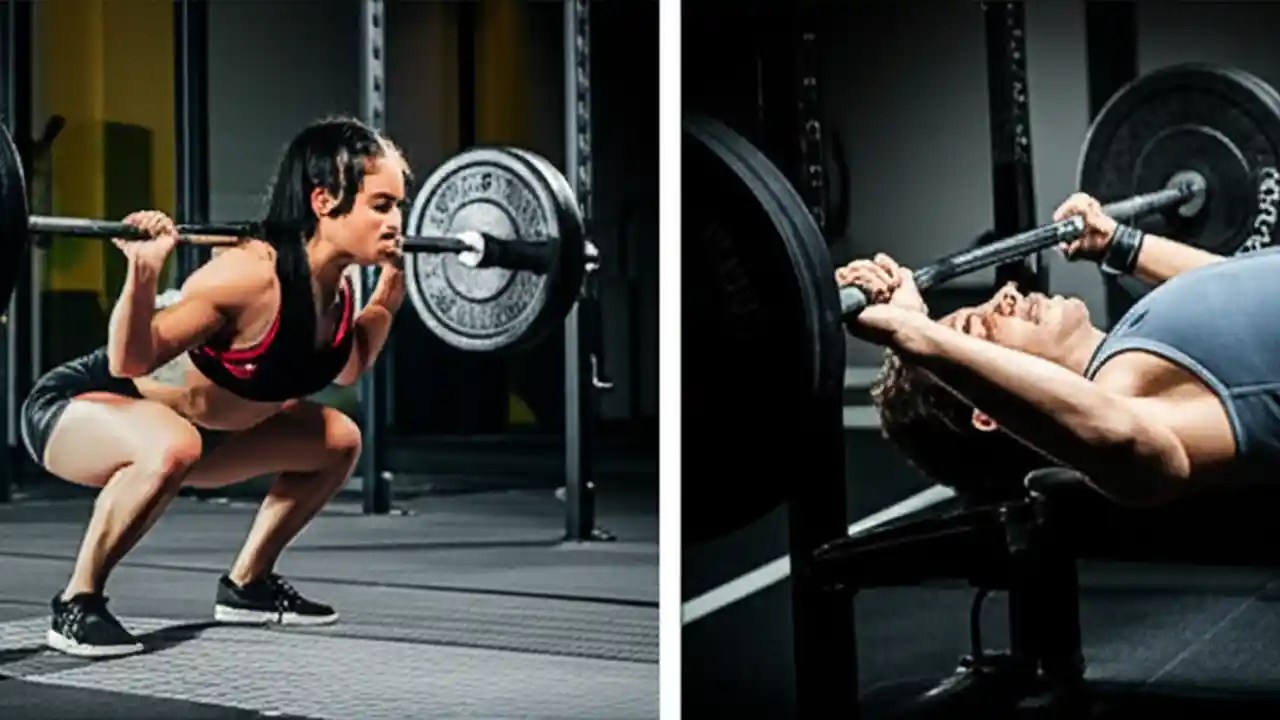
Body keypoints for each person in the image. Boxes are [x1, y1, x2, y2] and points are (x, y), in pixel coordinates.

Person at [20, 116, 410, 658]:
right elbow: (129, 358)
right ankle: (76, 603)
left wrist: (388, 295)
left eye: (399, 207)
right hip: (82, 407)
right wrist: (143, 274)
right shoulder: (247, 276)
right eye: (382, 205)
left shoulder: (336, 288)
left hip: (206, 435)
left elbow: (346, 368)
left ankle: (248, 586)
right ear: (323, 200)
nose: (397, 222)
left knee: (338, 439)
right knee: (173, 444)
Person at [838, 191, 1270, 509]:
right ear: (988, 409)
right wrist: (913, 335)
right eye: (976, 326)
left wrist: (1121, 245)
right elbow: (1132, 440)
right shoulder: (1128, 400)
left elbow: (1239, 282)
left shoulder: (1136, 341)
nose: (1005, 293)